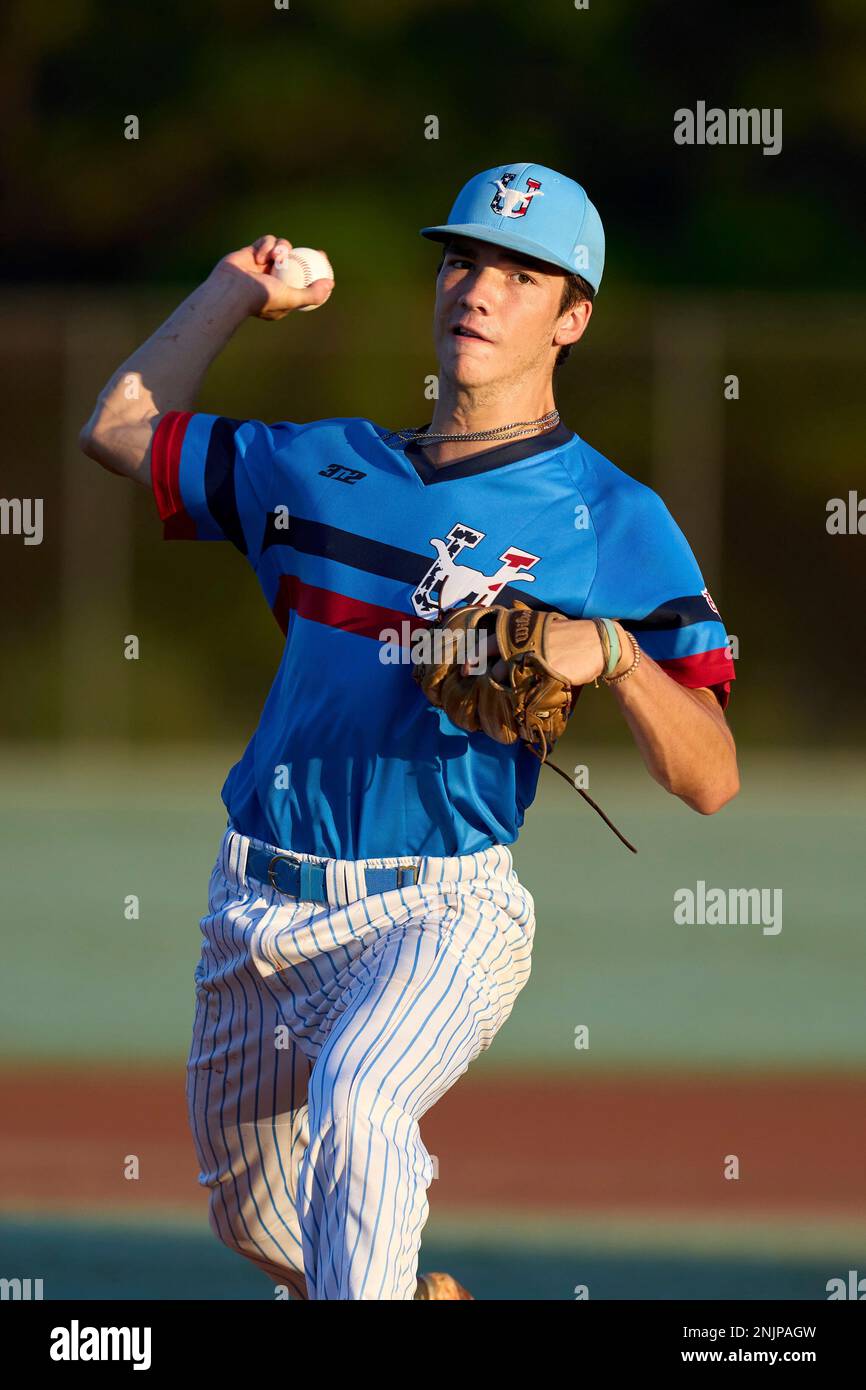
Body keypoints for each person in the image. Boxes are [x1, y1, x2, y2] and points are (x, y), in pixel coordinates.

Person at [79, 162, 739, 1300]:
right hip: (256, 905)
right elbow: (119, 429)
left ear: (571, 317)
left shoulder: (613, 520)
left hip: (442, 904)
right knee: (259, 1222)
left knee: (362, 1100)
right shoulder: (325, 469)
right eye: (463, 258)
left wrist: (617, 653)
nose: (477, 289)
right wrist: (234, 286)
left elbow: (711, 776)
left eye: (521, 275)